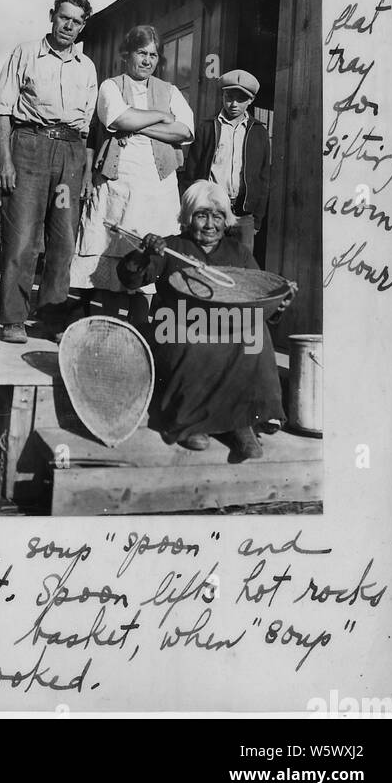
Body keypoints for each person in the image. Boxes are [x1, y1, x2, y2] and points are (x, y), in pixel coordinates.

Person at [116, 180, 294, 463]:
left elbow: (257, 300)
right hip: (174, 325)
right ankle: (191, 423)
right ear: (188, 218)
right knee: (196, 342)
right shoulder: (171, 246)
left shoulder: (239, 254)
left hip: (225, 324)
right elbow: (130, 278)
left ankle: (243, 423)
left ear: (227, 220)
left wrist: (279, 306)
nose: (210, 224)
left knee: (253, 334)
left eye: (218, 216)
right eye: (201, 215)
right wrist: (145, 254)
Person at [0, 0, 98, 344]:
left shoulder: (87, 68)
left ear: (83, 27)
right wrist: (5, 159)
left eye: (77, 21)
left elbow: (85, 128)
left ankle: (51, 318)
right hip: (29, 148)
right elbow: (3, 110)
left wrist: (84, 173)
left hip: (69, 155)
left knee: (63, 241)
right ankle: (14, 319)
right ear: (52, 14)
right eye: (64, 17)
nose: (69, 25)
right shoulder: (25, 53)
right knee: (22, 238)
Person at [71, 24, 193, 307]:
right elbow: (118, 119)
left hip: (158, 187)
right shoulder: (111, 86)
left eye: (153, 54)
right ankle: (105, 320)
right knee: (112, 247)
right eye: (141, 53)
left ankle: (140, 323)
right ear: (127, 54)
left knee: (149, 250)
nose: (147, 60)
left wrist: (140, 126)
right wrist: (161, 116)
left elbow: (185, 131)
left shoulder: (170, 90)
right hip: (119, 182)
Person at [182, 68, 271, 254]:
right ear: (222, 95)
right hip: (210, 211)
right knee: (206, 262)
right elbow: (191, 172)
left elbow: (263, 177)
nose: (234, 104)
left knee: (241, 269)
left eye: (241, 99)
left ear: (251, 100)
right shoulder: (207, 128)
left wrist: (257, 218)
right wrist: (192, 209)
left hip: (244, 216)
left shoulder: (258, 132)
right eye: (229, 97)